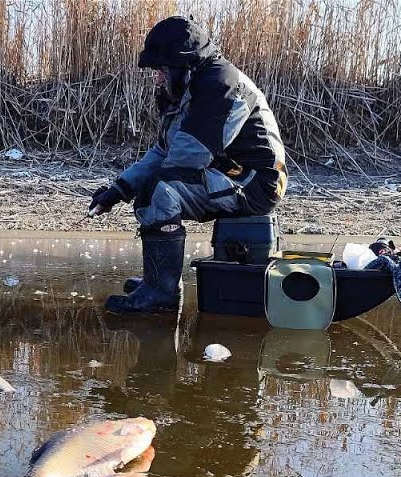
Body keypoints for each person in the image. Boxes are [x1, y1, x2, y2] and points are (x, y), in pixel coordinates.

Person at [90, 16, 288, 315]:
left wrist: (142, 188)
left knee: (158, 190)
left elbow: (190, 156)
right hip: (230, 175)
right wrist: (119, 189)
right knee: (153, 186)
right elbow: (164, 150)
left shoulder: (220, 85)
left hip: (255, 185)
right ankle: (159, 282)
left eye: (160, 71)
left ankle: (161, 294)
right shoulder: (193, 86)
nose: (156, 79)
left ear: (183, 66)